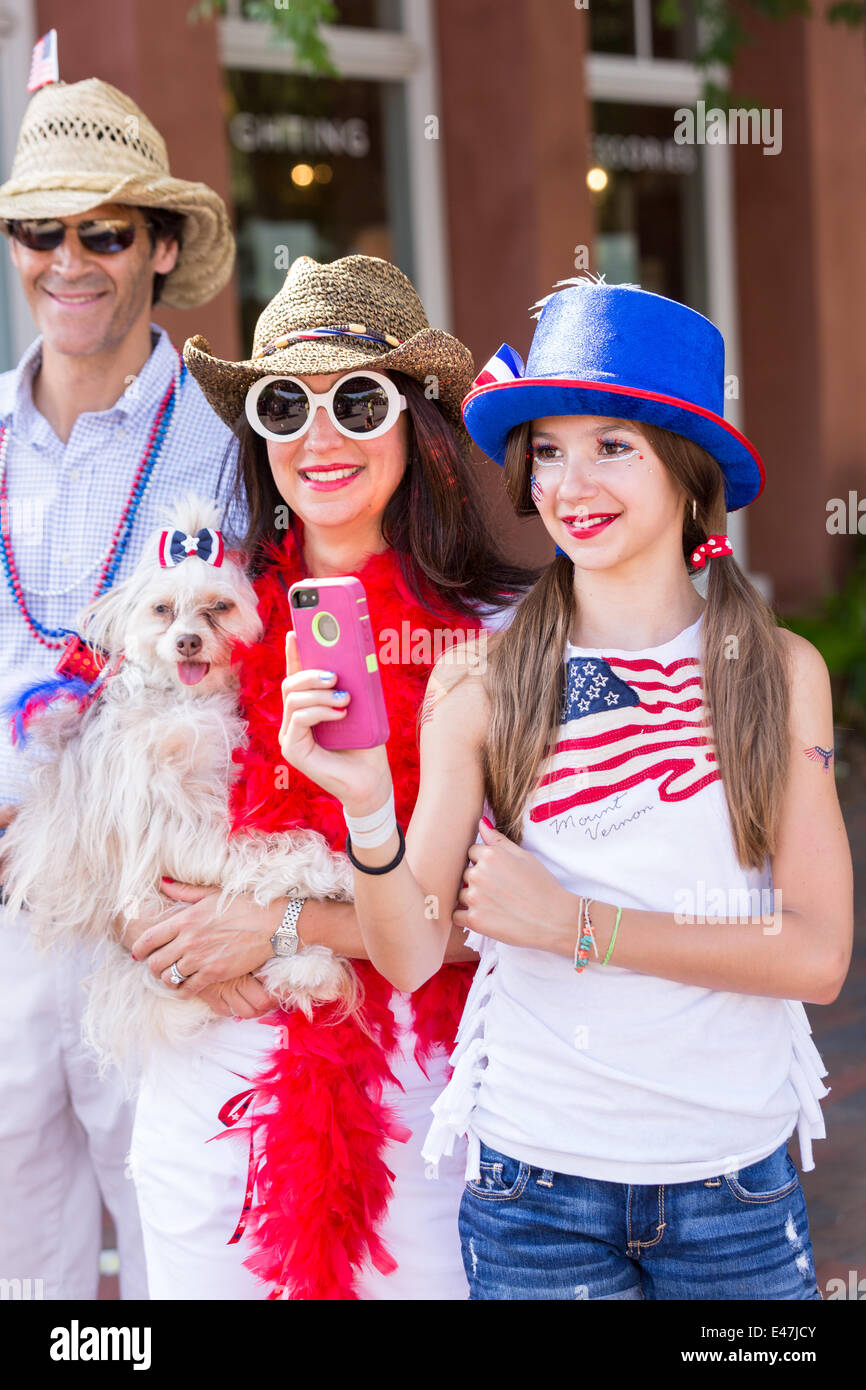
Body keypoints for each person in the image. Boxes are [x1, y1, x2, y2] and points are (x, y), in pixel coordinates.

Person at [279, 277, 853, 1300]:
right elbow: (409, 951)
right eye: (547, 449)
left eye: (611, 446)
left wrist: (574, 924)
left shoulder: (776, 671)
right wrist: (366, 801)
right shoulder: (481, 682)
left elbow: (812, 954)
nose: (568, 481)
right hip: (534, 1193)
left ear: (687, 471)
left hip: (734, 1190)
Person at [127, 253, 534, 1299]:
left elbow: (490, 912)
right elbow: (118, 832)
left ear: (417, 424)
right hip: (200, 1081)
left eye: (357, 402)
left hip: (403, 1097)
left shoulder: (492, 635)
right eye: (284, 406)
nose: (319, 438)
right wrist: (142, 923)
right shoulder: (193, 611)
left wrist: (279, 926)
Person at [0, 73, 237, 1300]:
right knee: (22, 1265)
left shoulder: (230, 447)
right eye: (41, 230)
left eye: (103, 230)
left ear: (157, 247)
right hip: (3, 914)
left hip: (158, 914)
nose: (68, 261)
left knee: (174, 1247)